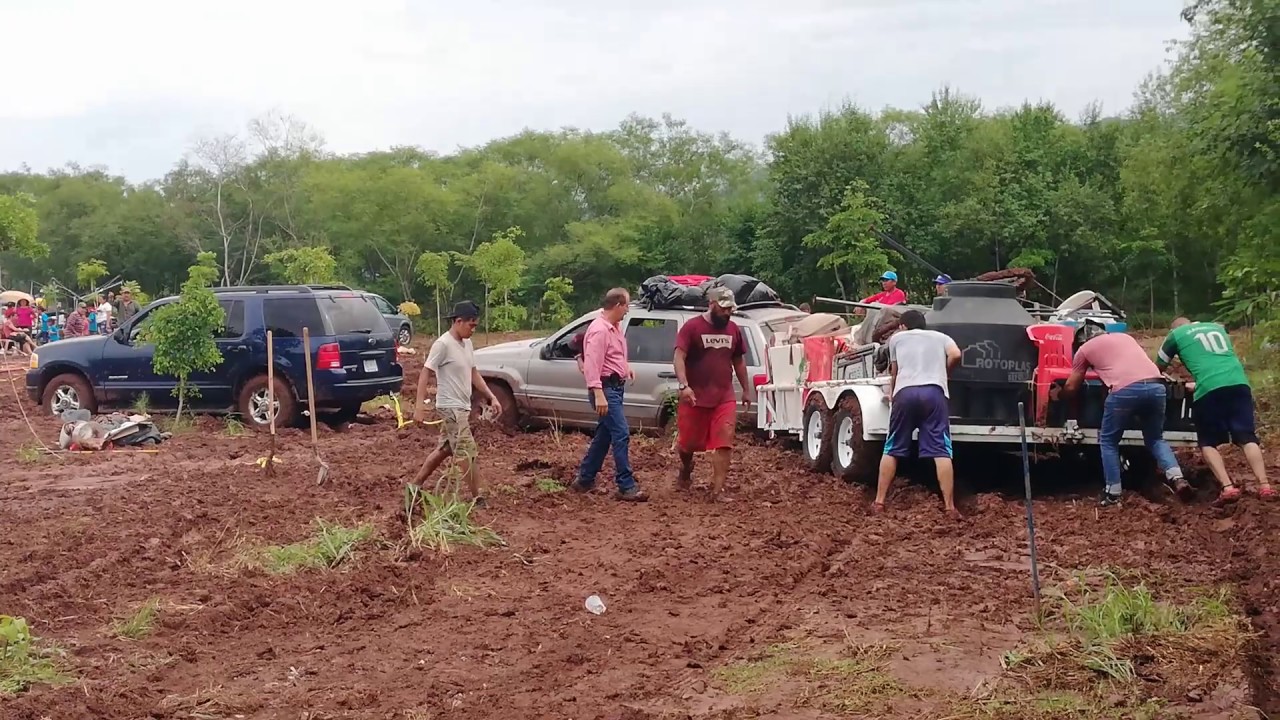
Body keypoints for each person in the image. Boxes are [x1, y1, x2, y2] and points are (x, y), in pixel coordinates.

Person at [1065, 321, 1188, 506]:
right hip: (1157, 387)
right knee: (1155, 438)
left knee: (1108, 441)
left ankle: (1113, 493)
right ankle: (1177, 477)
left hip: (1125, 391)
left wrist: (1059, 394)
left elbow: (1072, 386)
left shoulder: (1084, 350)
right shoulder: (1125, 337)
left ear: (1081, 340)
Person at [1157, 317, 1273, 502]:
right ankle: (1265, 485)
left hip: (1209, 389)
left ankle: (1227, 487)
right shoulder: (1216, 327)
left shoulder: (1176, 335)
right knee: (1247, 437)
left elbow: (1158, 368)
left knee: (1208, 442)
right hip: (1239, 383)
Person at [873, 310, 962, 518]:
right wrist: (945, 373)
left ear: (903, 326)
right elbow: (956, 354)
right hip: (933, 392)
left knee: (892, 447)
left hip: (905, 392)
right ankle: (949, 507)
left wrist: (892, 393)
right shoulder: (941, 337)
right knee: (941, 450)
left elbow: (895, 370)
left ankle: (879, 502)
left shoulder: (897, 339)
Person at [410, 301, 500, 506]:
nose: (473, 329)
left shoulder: (467, 344)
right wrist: (419, 407)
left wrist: (491, 396)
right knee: (467, 451)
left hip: (462, 406)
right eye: (471, 325)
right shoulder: (443, 344)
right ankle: (479, 497)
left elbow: (473, 373)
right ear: (458, 321)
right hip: (450, 407)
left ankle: (415, 485)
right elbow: (425, 372)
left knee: (445, 449)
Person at [673, 286, 754, 498]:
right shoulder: (692, 327)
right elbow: (679, 356)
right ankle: (686, 469)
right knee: (687, 444)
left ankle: (718, 491)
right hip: (695, 396)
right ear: (711, 304)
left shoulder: (734, 329)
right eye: (724, 308)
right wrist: (684, 385)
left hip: (723, 396)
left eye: (730, 309)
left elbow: (739, 361)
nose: (728, 313)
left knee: (724, 441)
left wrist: (746, 390)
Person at [568, 288, 648, 501]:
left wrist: (624, 367)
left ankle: (584, 479)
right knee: (621, 433)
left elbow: (613, 355)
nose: (628, 310)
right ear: (619, 305)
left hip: (614, 386)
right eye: (627, 306)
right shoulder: (600, 330)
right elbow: (593, 364)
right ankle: (626, 485)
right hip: (605, 388)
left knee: (604, 436)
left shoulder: (614, 327)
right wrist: (599, 393)